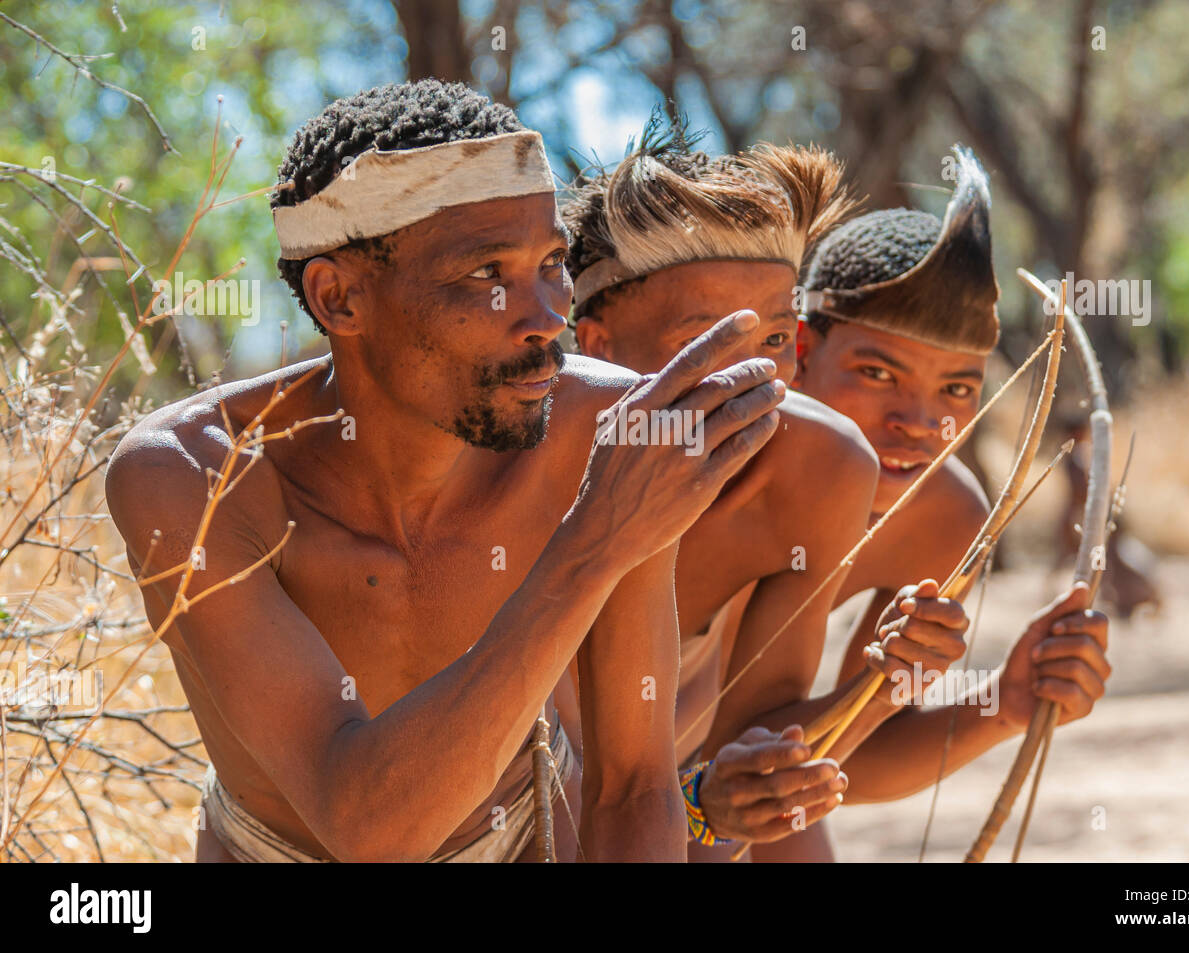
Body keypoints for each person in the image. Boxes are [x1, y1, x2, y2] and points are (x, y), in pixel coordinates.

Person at [106, 80, 785, 863]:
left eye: (553, 263)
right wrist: (591, 543)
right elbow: (369, 827)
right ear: (339, 297)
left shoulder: (603, 433)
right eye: (485, 274)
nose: (547, 316)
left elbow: (632, 785)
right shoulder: (193, 475)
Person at [564, 124, 972, 859]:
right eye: (712, 340)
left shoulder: (816, 467)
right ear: (595, 349)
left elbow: (756, 767)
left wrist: (880, 686)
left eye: (774, 341)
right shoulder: (511, 475)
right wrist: (696, 809)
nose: (755, 379)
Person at [790, 147, 1112, 837]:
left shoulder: (944, 518)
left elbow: (848, 761)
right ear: (798, 352)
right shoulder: (716, 474)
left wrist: (1005, 702)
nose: (918, 421)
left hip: (752, 789)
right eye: (877, 373)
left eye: (957, 389)